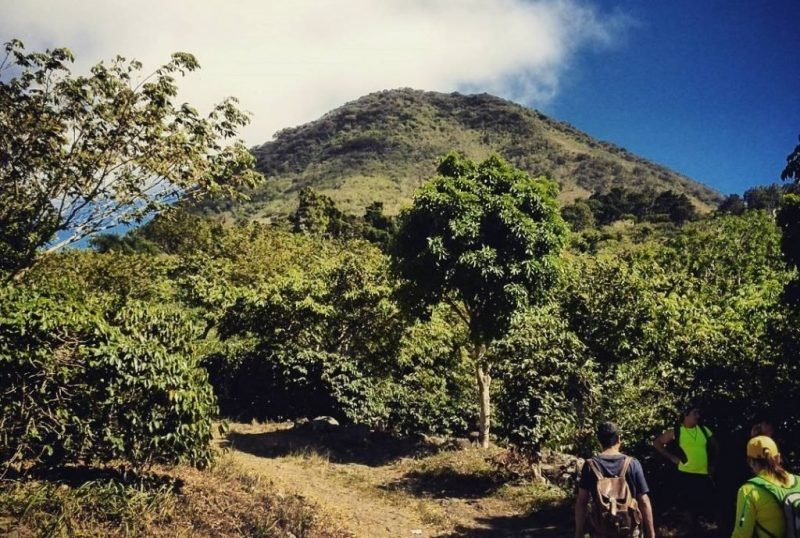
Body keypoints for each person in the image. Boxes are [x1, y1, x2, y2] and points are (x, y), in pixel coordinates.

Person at [575, 421, 656, 538]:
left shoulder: (590, 466)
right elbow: (644, 501)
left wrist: (579, 533)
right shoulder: (632, 464)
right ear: (618, 439)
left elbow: (582, 502)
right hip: (629, 531)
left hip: (601, 531)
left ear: (599, 441)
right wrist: (651, 534)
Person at [653, 405, 719, 526]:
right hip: (685, 474)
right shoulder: (677, 431)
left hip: (703, 474)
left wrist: (712, 464)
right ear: (686, 415)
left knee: (706, 505)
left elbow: (715, 447)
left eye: (698, 413)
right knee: (688, 507)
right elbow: (657, 443)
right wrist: (672, 457)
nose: (698, 416)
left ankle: (705, 528)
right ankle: (690, 529)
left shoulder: (704, 430)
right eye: (695, 413)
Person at [731, 435, 797, 537]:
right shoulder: (798, 480)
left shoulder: (749, 490)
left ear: (750, 461)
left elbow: (742, 534)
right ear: (778, 458)